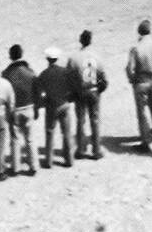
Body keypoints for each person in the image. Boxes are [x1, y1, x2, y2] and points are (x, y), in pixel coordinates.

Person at [125, 19, 152, 151]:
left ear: (139, 32)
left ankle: (145, 140)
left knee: (142, 111)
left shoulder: (136, 48)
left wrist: (132, 80)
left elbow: (129, 68)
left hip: (140, 81)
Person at [67, 30, 108, 159]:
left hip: (80, 91)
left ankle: (80, 149)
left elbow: (69, 76)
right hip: (94, 91)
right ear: (90, 40)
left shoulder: (74, 58)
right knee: (95, 121)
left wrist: (73, 90)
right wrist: (99, 89)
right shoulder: (97, 57)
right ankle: (96, 150)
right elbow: (103, 76)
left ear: (81, 40)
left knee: (80, 121)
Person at [35, 47, 76, 168]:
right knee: (67, 133)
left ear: (47, 59)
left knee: (50, 133)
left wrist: (42, 105)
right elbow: (72, 87)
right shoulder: (65, 72)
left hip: (51, 106)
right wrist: (69, 99)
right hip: (64, 104)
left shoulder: (44, 74)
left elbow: (40, 93)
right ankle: (69, 160)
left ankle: (49, 161)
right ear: (57, 58)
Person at [2, 44, 39, 176]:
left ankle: (15, 167)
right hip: (29, 107)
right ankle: (33, 166)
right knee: (30, 139)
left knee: (15, 140)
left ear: (10, 56)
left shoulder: (6, 74)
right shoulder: (30, 72)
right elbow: (36, 92)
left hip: (14, 110)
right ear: (22, 54)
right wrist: (37, 109)